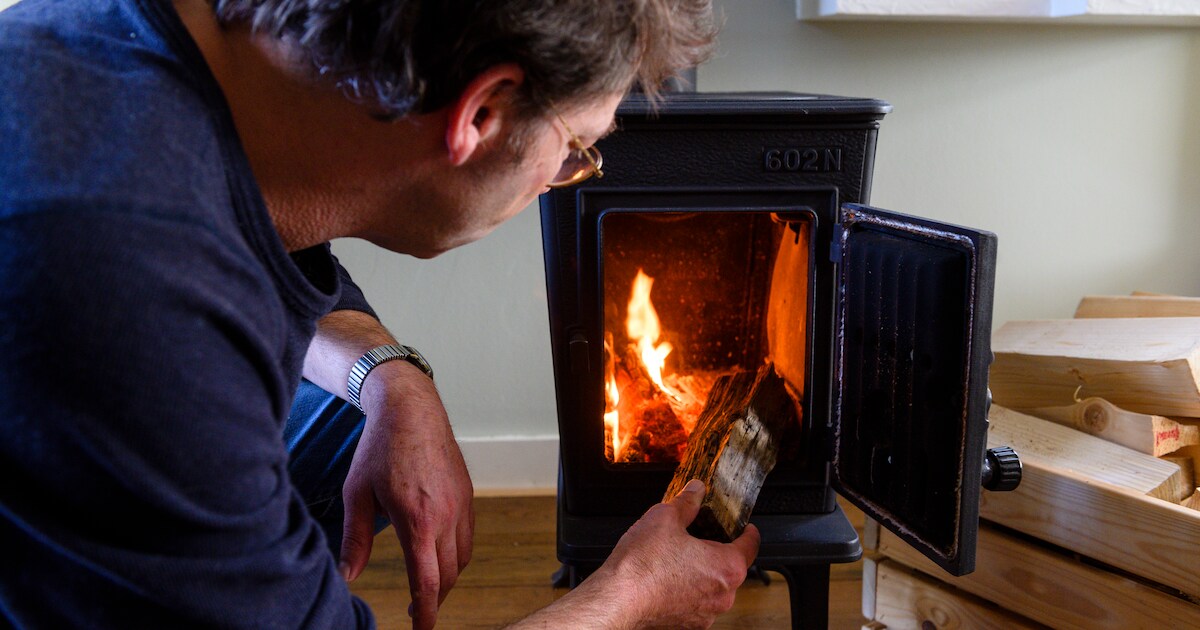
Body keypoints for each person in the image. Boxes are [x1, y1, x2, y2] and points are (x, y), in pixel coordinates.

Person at [0, 0, 759, 628]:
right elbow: (166, 299)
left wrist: (392, 381)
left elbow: (277, 257)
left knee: (351, 426)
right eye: (575, 150)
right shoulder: (135, 292)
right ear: (481, 112)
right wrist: (628, 599)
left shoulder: (163, 57)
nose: (562, 176)